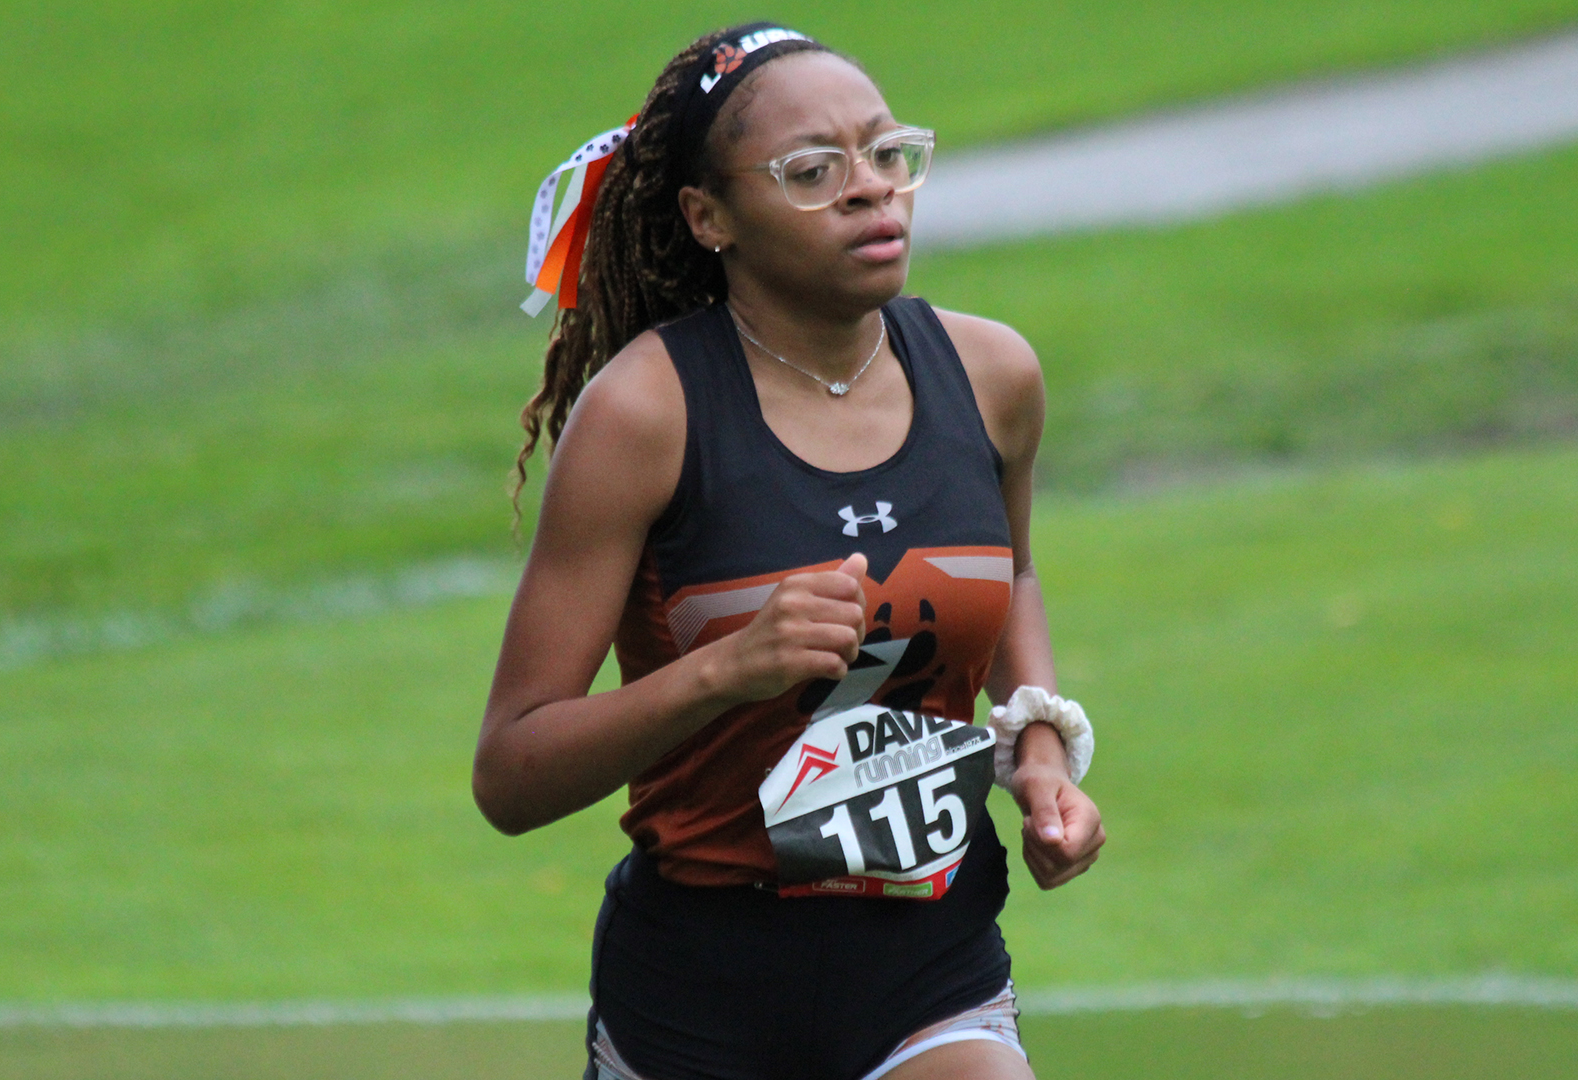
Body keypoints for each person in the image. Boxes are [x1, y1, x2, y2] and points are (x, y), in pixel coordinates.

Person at [474, 23, 1106, 1080]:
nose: (871, 190)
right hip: (699, 995)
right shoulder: (645, 413)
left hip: (930, 966)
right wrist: (725, 671)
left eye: (887, 154)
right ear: (707, 215)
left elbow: (1016, 572)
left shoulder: (992, 374)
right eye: (813, 172)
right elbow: (511, 772)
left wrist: (1039, 746)